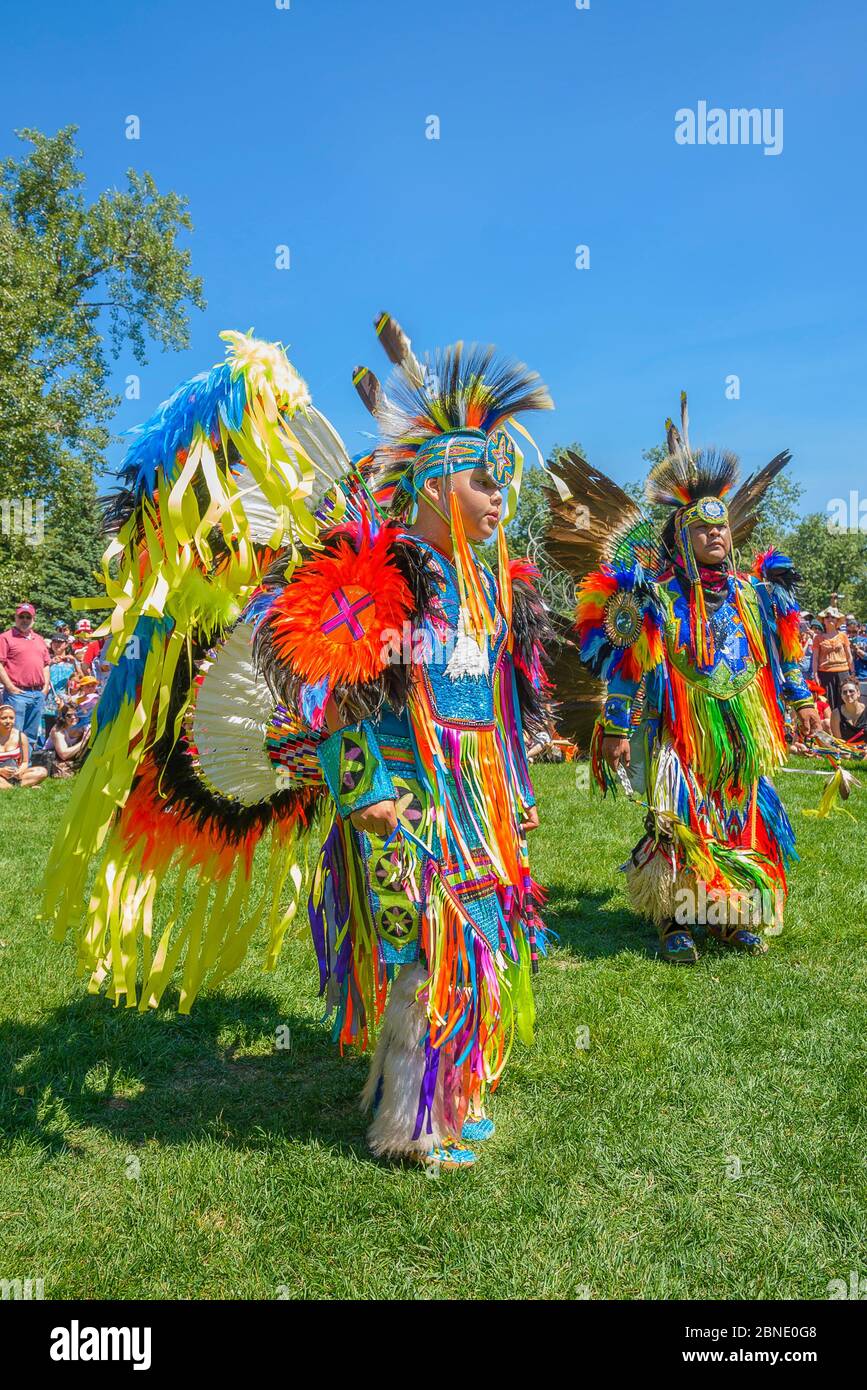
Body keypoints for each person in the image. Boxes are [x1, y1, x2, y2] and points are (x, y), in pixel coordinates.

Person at [41, 325, 555, 1172]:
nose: (498, 496)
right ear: (431, 484)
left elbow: (497, 704)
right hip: (406, 794)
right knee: (422, 945)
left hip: (480, 795)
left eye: (501, 480)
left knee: (482, 938)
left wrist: (517, 790)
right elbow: (332, 702)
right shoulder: (375, 576)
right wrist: (365, 794)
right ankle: (409, 1120)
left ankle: (453, 1095)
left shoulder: (493, 587)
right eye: (480, 478)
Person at [548, 393, 820, 963]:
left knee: (740, 811)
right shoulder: (658, 598)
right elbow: (628, 666)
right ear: (681, 537)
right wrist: (617, 729)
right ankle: (675, 920)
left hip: (742, 719)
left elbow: (784, 652)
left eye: (722, 530)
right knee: (679, 815)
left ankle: (726, 915)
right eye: (703, 530)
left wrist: (800, 699)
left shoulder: (755, 597)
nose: (716, 537)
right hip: (679, 726)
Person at [0, 603, 51, 740]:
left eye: (28, 617)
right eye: (21, 616)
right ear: (15, 618)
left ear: (33, 619)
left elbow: (46, 665)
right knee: (12, 734)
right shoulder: (5, 637)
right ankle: (10, 762)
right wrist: (10, 687)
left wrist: (45, 688)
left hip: (38, 694)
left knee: (31, 736)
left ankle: (26, 762)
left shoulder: (39, 639)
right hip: (17, 695)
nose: (24, 620)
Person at [812, 607, 854, 709]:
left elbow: (849, 656)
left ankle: (845, 725)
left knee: (845, 702)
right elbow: (815, 658)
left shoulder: (843, 636)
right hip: (825, 674)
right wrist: (815, 675)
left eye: (833, 617)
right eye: (827, 617)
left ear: (837, 620)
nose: (830, 618)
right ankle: (831, 724)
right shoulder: (818, 638)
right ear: (823, 620)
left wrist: (852, 673)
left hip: (843, 673)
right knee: (828, 703)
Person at [0, 703, 48, 788]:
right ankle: (19, 785)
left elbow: (25, 762)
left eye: (11, 718)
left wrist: (20, 771)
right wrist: (1, 771)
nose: (8, 721)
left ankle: (9, 786)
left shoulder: (21, 736)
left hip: (14, 773)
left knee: (42, 771)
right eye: (3, 718)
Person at [44, 636, 80, 736]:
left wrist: (75, 664)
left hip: (68, 704)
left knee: (68, 734)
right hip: (49, 705)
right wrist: (49, 663)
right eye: (54, 642)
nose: (57, 644)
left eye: (60, 642)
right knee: (50, 734)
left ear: (66, 644)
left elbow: (82, 679)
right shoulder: (46, 662)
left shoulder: (72, 661)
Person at [46, 702, 91, 776]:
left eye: (76, 714)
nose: (73, 717)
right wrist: (83, 741)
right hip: (53, 758)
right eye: (69, 715)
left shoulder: (84, 727)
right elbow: (63, 755)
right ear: (63, 717)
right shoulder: (58, 730)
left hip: (72, 757)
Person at [830, 679, 867, 747]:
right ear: (841, 696)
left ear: (858, 693)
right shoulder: (836, 714)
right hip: (847, 749)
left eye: (851, 691)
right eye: (844, 692)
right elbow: (838, 740)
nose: (848, 694)